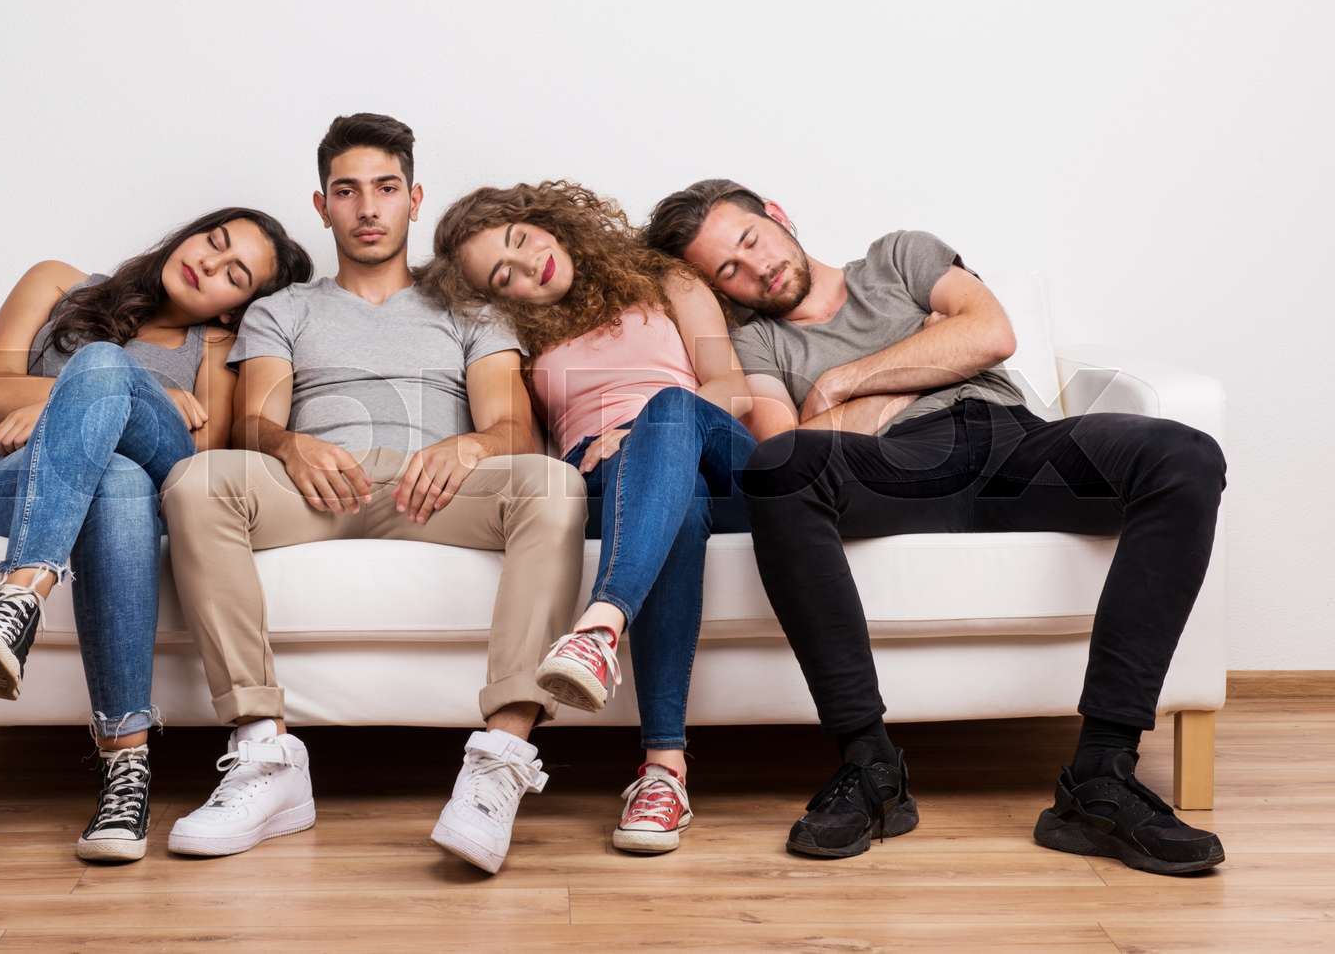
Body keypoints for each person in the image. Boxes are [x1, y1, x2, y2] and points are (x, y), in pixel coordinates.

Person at [645, 179, 1227, 875]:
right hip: (897, 469)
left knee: (1186, 455)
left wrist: (847, 381)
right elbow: (789, 443)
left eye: (749, 241)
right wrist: (918, 365)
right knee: (780, 468)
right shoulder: (761, 343)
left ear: (777, 216)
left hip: (1017, 447)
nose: (754, 268)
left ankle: (1100, 777)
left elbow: (992, 334)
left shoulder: (899, 257)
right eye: (728, 271)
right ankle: (871, 767)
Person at [158, 115, 587, 874]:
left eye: (385, 189)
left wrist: (473, 444)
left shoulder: (471, 307)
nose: (366, 208)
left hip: (435, 490)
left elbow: (514, 422)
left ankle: (500, 764)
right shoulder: (281, 308)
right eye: (346, 191)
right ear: (321, 206)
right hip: (316, 485)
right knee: (197, 479)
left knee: (553, 482)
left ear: (414, 200)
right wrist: (289, 443)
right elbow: (256, 418)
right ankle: (266, 756)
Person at [0, 207, 312, 862]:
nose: (208, 263)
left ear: (238, 309)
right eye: (214, 241)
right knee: (109, 433)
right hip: (17, 487)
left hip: (145, 486)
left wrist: (111, 391)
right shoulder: (55, 282)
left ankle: (21, 599)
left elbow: (193, 466)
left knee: (122, 467)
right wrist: (95, 394)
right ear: (191, 233)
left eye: (234, 273)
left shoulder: (211, 351)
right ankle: (126, 771)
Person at [421, 180, 755, 854]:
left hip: (706, 440)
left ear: (541, 218)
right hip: (603, 475)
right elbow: (519, 434)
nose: (526, 266)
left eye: (521, 241)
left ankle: (598, 627)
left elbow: (730, 389)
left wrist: (651, 423)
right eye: (503, 276)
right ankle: (663, 774)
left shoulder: (666, 280)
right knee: (678, 510)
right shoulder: (515, 333)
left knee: (668, 411)